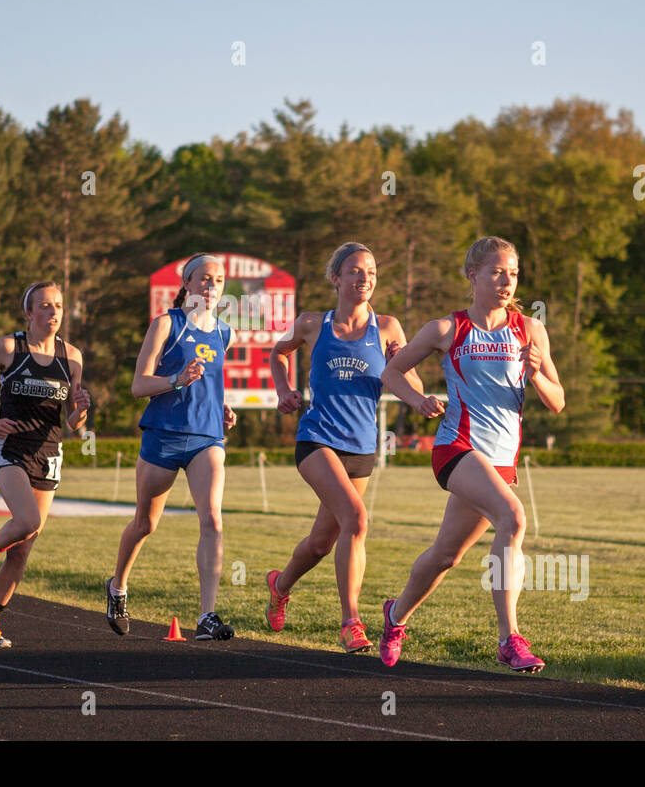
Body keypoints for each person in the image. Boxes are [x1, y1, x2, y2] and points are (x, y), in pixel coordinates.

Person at [377, 236, 565, 672]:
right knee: (514, 518)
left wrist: (535, 375)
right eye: (497, 272)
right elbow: (392, 371)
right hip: (456, 448)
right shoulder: (447, 329)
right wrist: (417, 401)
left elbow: (557, 401)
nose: (506, 281)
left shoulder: (530, 330)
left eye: (513, 273)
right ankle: (509, 639)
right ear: (473, 274)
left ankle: (395, 616)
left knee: (446, 554)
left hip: (500, 461)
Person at [265, 242, 423, 652]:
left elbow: (412, 384)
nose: (364, 278)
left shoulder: (387, 328)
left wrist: (407, 376)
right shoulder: (312, 324)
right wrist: (284, 390)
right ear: (335, 278)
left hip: (361, 448)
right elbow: (278, 353)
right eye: (354, 271)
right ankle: (351, 621)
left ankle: (280, 585)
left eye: (370, 271)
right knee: (356, 518)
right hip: (317, 438)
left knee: (322, 542)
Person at [106, 253, 237, 641]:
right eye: (204, 279)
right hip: (162, 435)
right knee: (145, 524)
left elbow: (209, 385)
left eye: (217, 280)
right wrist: (177, 381)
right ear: (187, 284)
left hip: (206, 439)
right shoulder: (168, 324)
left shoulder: (224, 332)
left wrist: (221, 408)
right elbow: (139, 385)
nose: (211, 287)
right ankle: (117, 587)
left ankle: (206, 616)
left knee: (212, 518)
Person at [0, 282, 90, 647]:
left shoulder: (73, 357)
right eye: (45, 307)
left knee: (23, 548)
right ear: (29, 313)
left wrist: (81, 409)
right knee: (27, 520)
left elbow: (73, 424)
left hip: (49, 454)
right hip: (10, 449)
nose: (53, 313)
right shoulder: (8, 348)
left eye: (59, 306)